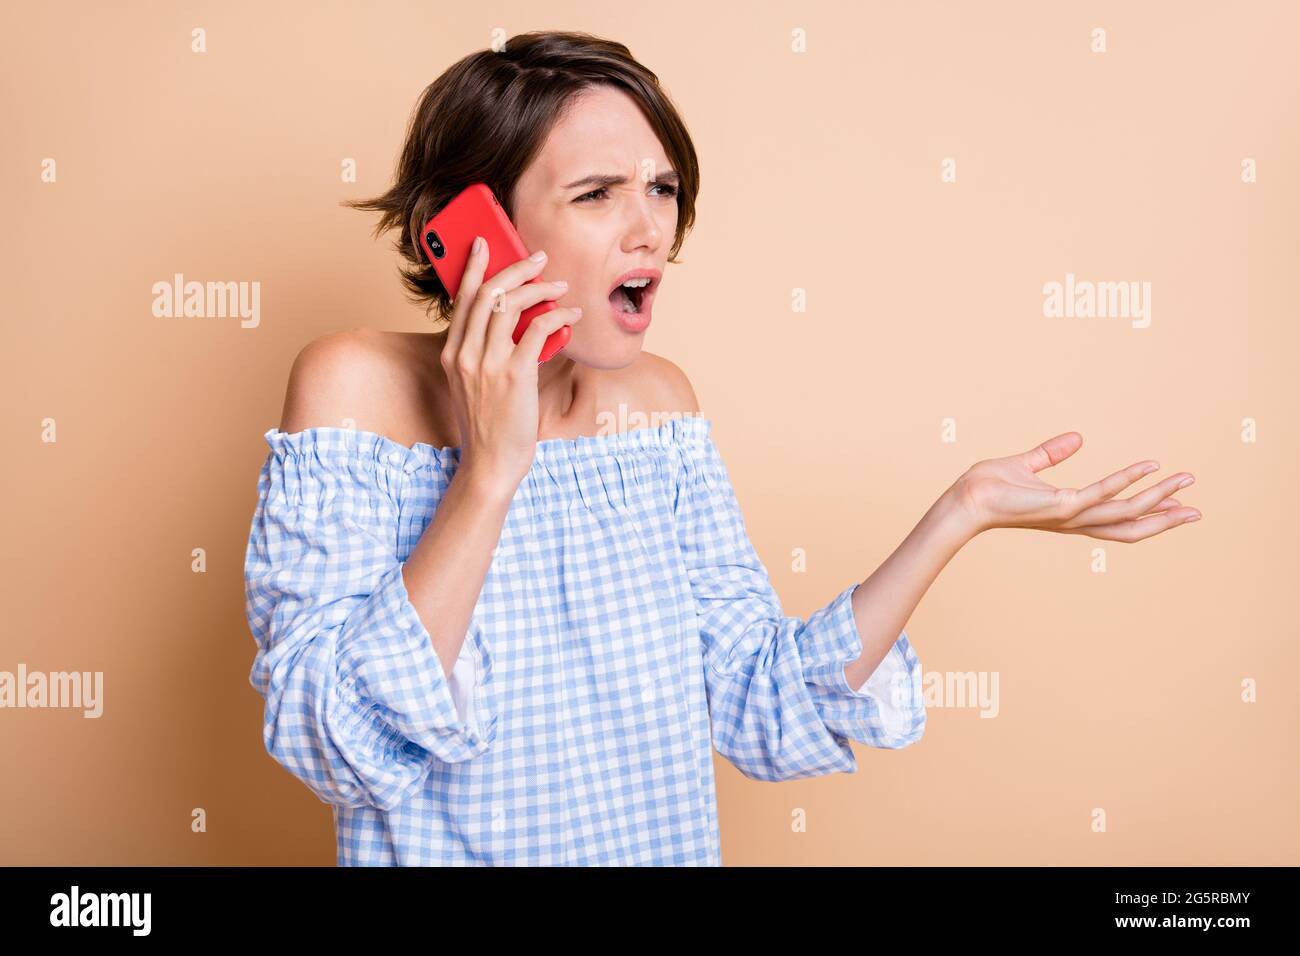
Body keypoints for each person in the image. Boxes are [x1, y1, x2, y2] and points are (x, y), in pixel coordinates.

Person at [242, 30, 1201, 866]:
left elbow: (761, 705)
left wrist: (960, 515)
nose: (650, 225)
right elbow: (338, 747)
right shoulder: (355, 391)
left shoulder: (659, 412)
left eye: (662, 187)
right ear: (464, 232)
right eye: (596, 193)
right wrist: (492, 471)